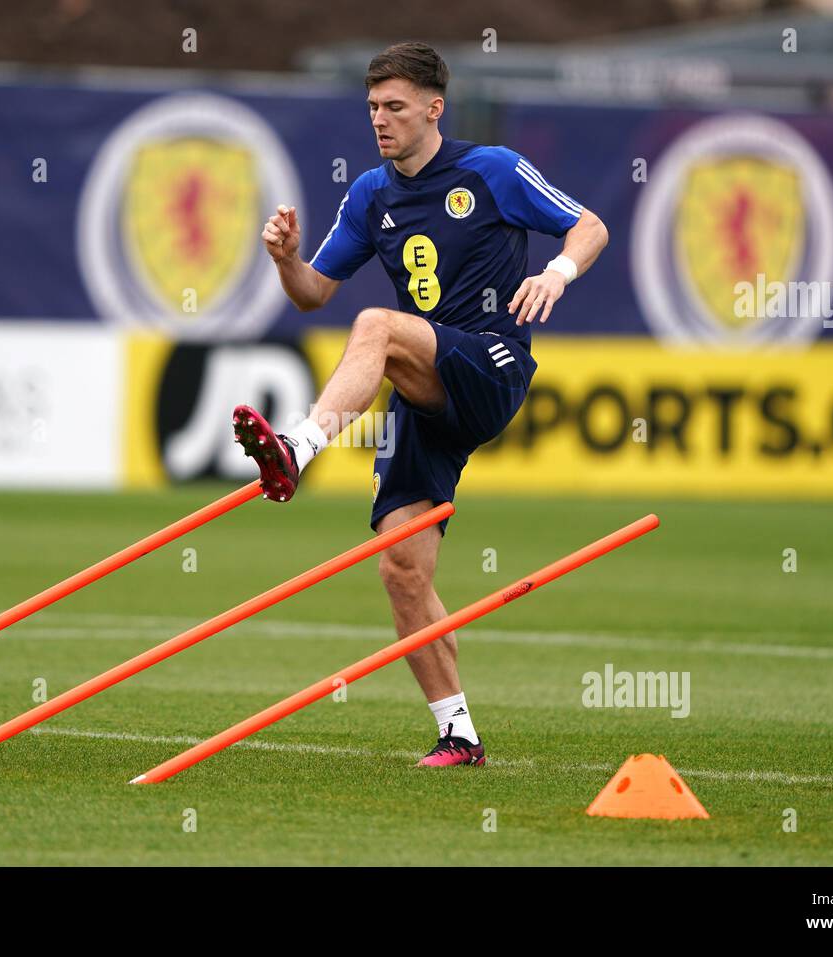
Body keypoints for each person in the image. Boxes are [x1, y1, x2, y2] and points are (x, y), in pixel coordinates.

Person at [234, 40, 608, 767]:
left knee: (377, 324)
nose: (380, 120)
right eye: (373, 106)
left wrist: (558, 272)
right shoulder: (371, 193)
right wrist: (284, 260)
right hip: (424, 387)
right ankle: (459, 734)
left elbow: (588, 225)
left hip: (493, 364)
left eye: (396, 107)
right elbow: (315, 294)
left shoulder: (491, 169)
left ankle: (299, 450)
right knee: (401, 569)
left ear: (435, 109)